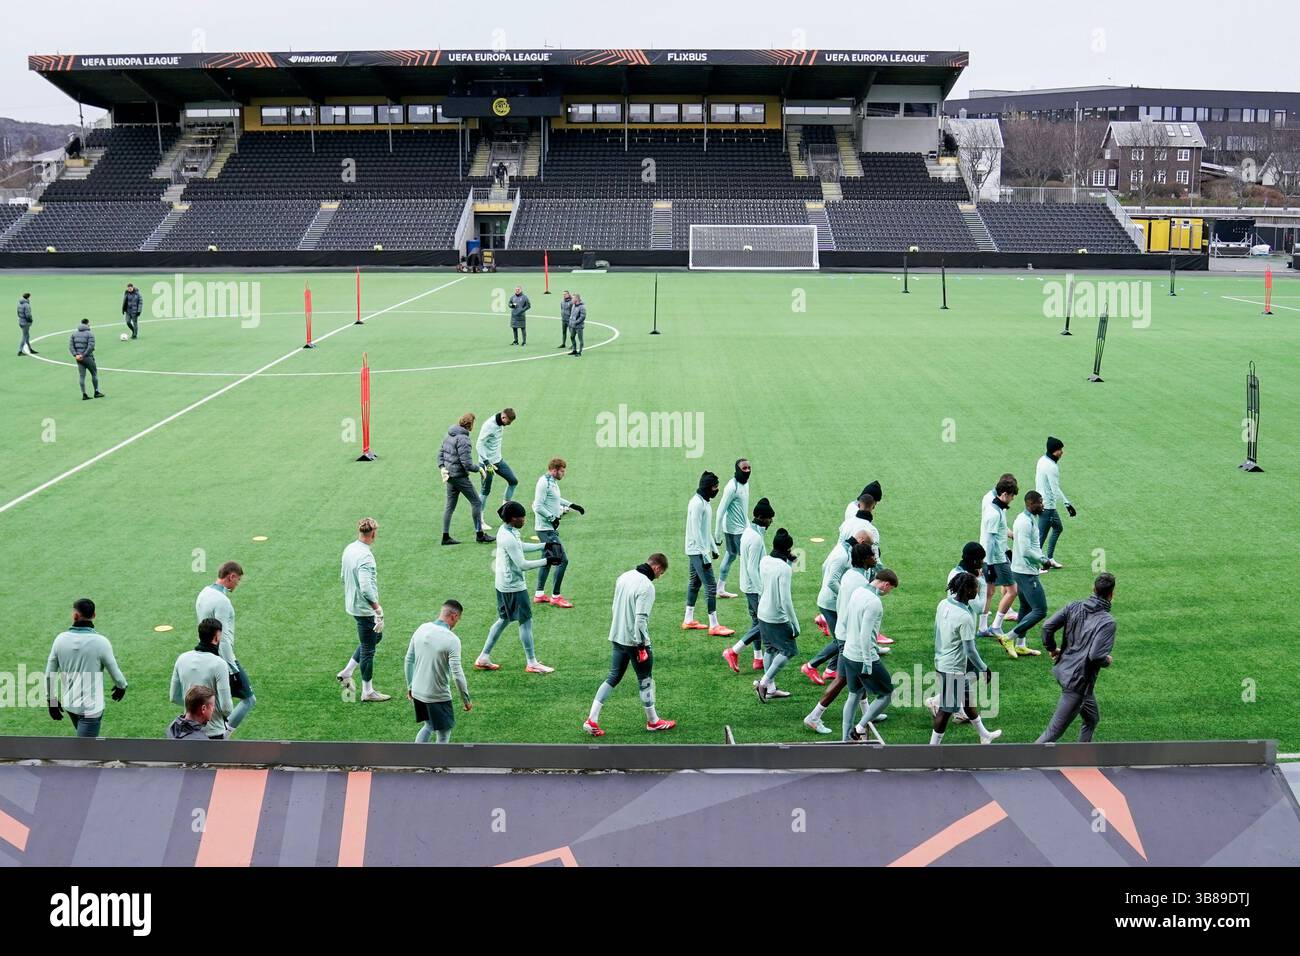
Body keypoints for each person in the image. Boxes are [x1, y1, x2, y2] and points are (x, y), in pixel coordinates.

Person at [583, 553, 676, 736]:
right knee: (646, 679)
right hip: (635, 642)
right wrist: (641, 646)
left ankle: (592, 719)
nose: (659, 577)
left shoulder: (624, 576)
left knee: (613, 677)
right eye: (661, 573)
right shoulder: (646, 586)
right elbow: (641, 620)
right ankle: (653, 721)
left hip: (617, 636)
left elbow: (615, 607)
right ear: (657, 568)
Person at [802, 538, 877, 734]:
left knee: (857, 678)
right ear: (865, 559)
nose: (875, 557)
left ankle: (868, 713)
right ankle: (814, 716)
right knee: (844, 678)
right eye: (872, 555)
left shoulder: (850, 575)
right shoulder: (860, 582)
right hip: (849, 637)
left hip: (844, 633)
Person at [475, 501, 559, 673]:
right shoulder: (508, 537)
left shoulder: (507, 530)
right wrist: (548, 561)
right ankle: (532, 662)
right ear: (513, 519)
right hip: (514, 586)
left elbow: (520, 547)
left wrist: (544, 546)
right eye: (522, 518)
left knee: (504, 619)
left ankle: (483, 657)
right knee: (526, 621)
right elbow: (522, 565)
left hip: (502, 583)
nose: (524, 520)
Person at [1036, 573, 1117, 743]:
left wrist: (1052, 648)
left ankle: (1081, 758)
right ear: (1111, 594)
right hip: (1077, 682)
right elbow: (1096, 656)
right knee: (1052, 733)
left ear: (1093, 589)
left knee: (1091, 718)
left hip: (1063, 670)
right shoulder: (1107, 622)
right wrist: (1107, 661)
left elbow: (1047, 627)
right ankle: (1023, 764)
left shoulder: (1074, 606)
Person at [928, 573, 1002, 744]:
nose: (977, 590)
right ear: (968, 590)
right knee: (945, 711)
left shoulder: (943, 603)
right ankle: (931, 750)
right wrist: (984, 668)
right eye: (976, 587)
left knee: (967, 700)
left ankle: (984, 735)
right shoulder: (965, 617)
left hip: (942, 659)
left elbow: (936, 631)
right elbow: (970, 650)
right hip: (953, 667)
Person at [44, 598, 127, 738]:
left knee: (85, 743)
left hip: (70, 705)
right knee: (86, 751)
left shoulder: (60, 639)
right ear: (94, 615)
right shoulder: (101, 642)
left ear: (75, 616)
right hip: (91, 708)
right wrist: (121, 685)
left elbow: (48, 675)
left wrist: (51, 700)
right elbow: (115, 672)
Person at [802, 528, 873, 688]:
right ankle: (811, 666)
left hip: (831, 601)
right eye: (869, 546)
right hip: (831, 603)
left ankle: (831, 669)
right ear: (861, 542)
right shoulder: (842, 555)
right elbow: (832, 581)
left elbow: (823, 567)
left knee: (842, 637)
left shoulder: (841, 548)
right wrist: (846, 597)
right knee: (842, 640)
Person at [838, 567, 899, 742]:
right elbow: (865, 635)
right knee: (887, 693)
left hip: (848, 653)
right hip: (863, 657)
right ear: (886, 585)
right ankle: (859, 728)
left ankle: (845, 740)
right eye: (891, 589)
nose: (889, 592)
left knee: (854, 694)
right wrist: (868, 662)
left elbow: (844, 620)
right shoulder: (874, 602)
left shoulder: (857, 592)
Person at [195, 561, 256, 734]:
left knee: (213, 702)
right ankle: (224, 735)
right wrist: (233, 668)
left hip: (204, 656)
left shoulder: (203, 593)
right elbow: (223, 639)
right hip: (222, 659)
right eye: (238, 580)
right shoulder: (222, 602)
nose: (238, 584)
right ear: (231, 576)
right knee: (249, 700)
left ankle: (205, 735)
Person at [338, 517, 391, 702]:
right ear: (373, 533)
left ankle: (347, 672)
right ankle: (367, 691)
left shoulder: (349, 548)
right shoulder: (366, 556)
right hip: (364, 608)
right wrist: (377, 609)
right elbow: (366, 587)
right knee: (369, 648)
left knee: (376, 637)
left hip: (352, 604)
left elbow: (343, 576)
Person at [405, 600, 472, 743]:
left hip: (417, 692)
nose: (456, 624)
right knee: (443, 733)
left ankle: (415, 759)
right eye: (457, 620)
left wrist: (410, 686)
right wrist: (466, 699)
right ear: (454, 616)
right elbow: (457, 675)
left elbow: (408, 660)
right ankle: (438, 765)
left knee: (428, 725)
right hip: (437, 695)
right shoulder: (452, 640)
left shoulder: (421, 628)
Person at [723, 496, 775, 673]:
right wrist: (762, 591)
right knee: (765, 623)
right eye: (769, 518)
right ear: (761, 517)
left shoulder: (749, 532)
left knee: (756, 621)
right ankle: (734, 651)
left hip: (747, 584)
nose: (771, 522)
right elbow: (753, 568)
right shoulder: (756, 539)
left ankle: (758, 658)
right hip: (754, 587)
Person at [682, 470, 733, 636]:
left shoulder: (704, 502)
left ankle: (688, 619)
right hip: (697, 551)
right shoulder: (696, 504)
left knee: (695, 583)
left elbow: (705, 530)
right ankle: (714, 625)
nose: (717, 490)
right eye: (715, 487)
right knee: (711, 586)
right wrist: (705, 554)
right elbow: (696, 532)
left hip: (699, 550)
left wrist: (714, 548)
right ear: (708, 487)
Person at [168, 617, 233, 738]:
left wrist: (193, 708)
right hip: (214, 733)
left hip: (187, 732)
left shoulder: (182, 659)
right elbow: (227, 708)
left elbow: (174, 697)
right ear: (217, 637)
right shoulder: (219, 664)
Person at [755, 527, 800, 702]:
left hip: (762, 611)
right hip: (776, 616)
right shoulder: (784, 568)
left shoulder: (765, 560)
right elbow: (785, 600)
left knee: (770, 649)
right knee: (789, 650)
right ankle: (764, 682)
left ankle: (771, 688)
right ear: (788, 548)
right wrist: (794, 623)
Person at [533, 457, 584, 608]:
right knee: (563, 560)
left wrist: (572, 505)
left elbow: (555, 499)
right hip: (546, 529)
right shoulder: (544, 482)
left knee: (547, 561)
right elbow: (537, 506)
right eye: (562, 471)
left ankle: (539, 594)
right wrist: (552, 518)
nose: (564, 474)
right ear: (554, 470)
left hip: (548, 529)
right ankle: (556, 596)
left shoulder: (552, 481)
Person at [979, 473, 1020, 654]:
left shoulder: (996, 508)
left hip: (992, 558)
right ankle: (996, 625)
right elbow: (990, 540)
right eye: (1011, 496)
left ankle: (982, 627)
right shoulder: (994, 512)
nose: (1012, 499)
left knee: (989, 592)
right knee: (1012, 590)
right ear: (1004, 494)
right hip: (997, 558)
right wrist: (987, 562)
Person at [438, 412, 490, 546]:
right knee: (476, 502)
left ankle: (445, 536)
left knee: (450, 506)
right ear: (471, 425)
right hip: (459, 476)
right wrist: (479, 468)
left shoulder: (449, 434)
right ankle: (479, 534)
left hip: (449, 475)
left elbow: (440, 453)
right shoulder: (463, 439)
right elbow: (466, 463)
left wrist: (442, 467)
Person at [1009, 491, 1048, 657]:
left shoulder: (1025, 519)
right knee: (1040, 609)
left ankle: (1020, 645)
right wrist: (1043, 560)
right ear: (1030, 503)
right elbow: (1025, 550)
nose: (1042, 505)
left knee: (1025, 607)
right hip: (1026, 572)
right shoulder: (1025, 522)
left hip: (1021, 569)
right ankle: (1008, 636)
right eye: (1039, 502)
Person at [1035, 437, 1075, 570]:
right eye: (1060, 450)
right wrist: (1067, 503)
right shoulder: (1052, 467)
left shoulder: (1042, 460)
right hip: (1048, 507)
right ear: (1054, 451)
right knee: (1040, 537)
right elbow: (1054, 488)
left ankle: (1049, 559)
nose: (1062, 452)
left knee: (1058, 528)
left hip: (1042, 502)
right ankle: (1037, 566)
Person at [714, 459, 751, 599]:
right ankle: (750, 586)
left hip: (742, 527)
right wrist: (717, 536)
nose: (747, 471)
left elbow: (742, 508)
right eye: (744, 468)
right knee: (745, 557)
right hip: (734, 530)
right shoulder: (731, 487)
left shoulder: (746, 484)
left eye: (749, 468)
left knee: (731, 555)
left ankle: (720, 589)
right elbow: (720, 511)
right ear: (737, 469)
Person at [476, 407, 518, 523]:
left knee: (513, 481)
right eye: (508, 422)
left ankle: (505, 510)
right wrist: (486, 463)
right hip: (487, 463)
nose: (508, 425)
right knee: (485, 490)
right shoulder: (489, 425)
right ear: (503, 417)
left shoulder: (500, 423)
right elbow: (479, 445)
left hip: (498, 461)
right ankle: (480, 519)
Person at [69, 318, 103, 399]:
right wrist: (83, 355)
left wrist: (76, 355)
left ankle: (84, 394)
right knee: (94, 374)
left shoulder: (74, 334)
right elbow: (90, 347)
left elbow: (71, 346)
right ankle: (96, 392)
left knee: (82, 376)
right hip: (87, 357)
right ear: (87, 324)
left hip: (78, 358)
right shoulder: (89, 334)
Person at [16, 292, 37, 356]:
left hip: (21, 321)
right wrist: (30, 321)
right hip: (25, 323)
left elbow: (18, 313)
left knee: (27, 336)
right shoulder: (26, 305)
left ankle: (30, 349)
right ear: (28, 297)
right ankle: (20, 351)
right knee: (25, 336)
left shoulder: (19, 304)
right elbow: (28, 315)